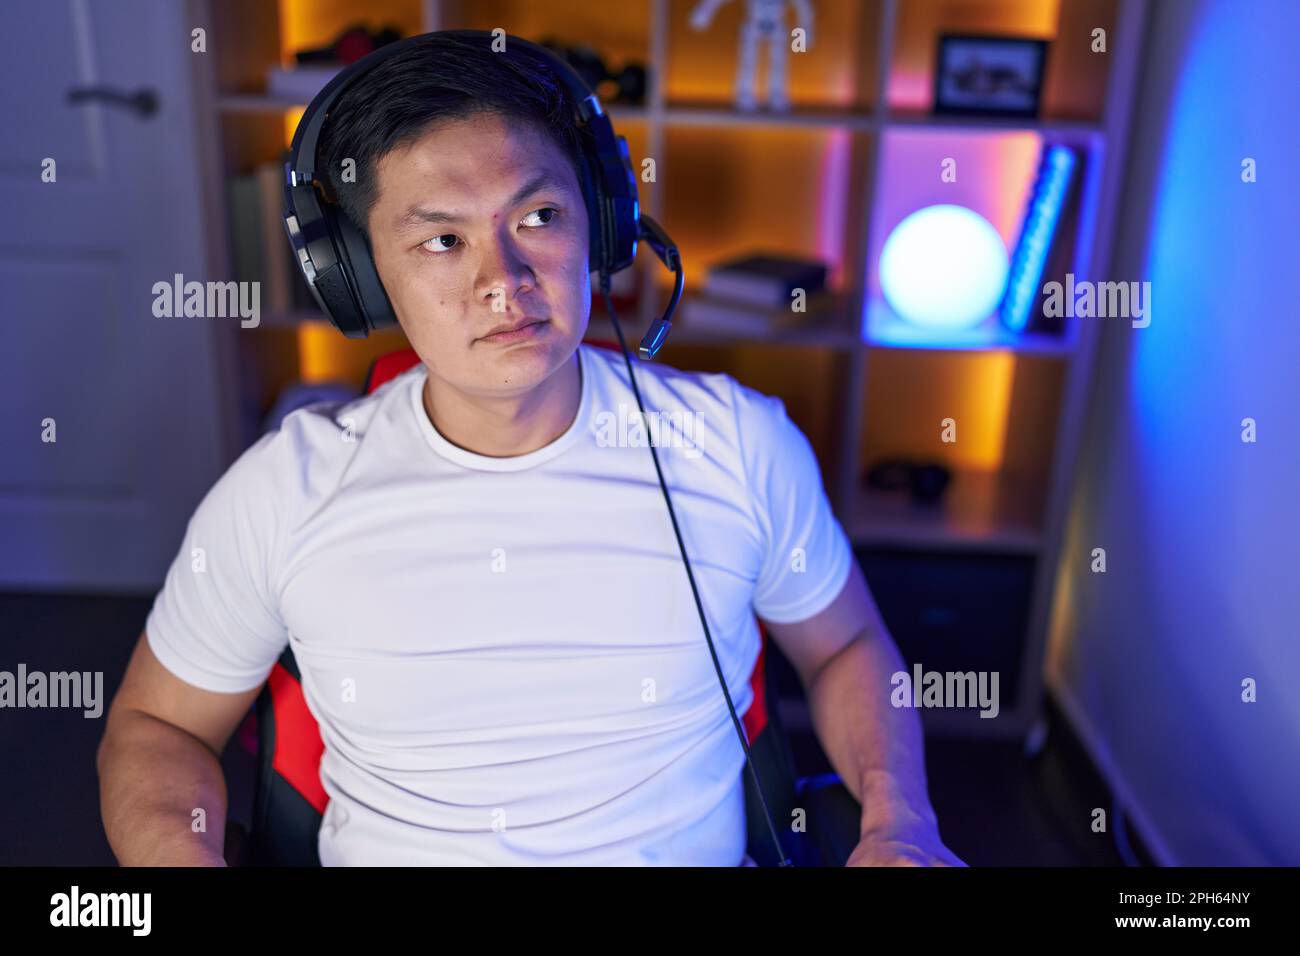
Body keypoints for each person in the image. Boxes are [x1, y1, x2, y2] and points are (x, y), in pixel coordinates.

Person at [97, 31, 964, 867]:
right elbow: (158, 727)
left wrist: (900, 824)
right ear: (360, 277)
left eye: (539, 216)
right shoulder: (282, 492)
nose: (504, 281)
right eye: (443, 240)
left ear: (604, 224)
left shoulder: (739, 444)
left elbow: (848, 647)